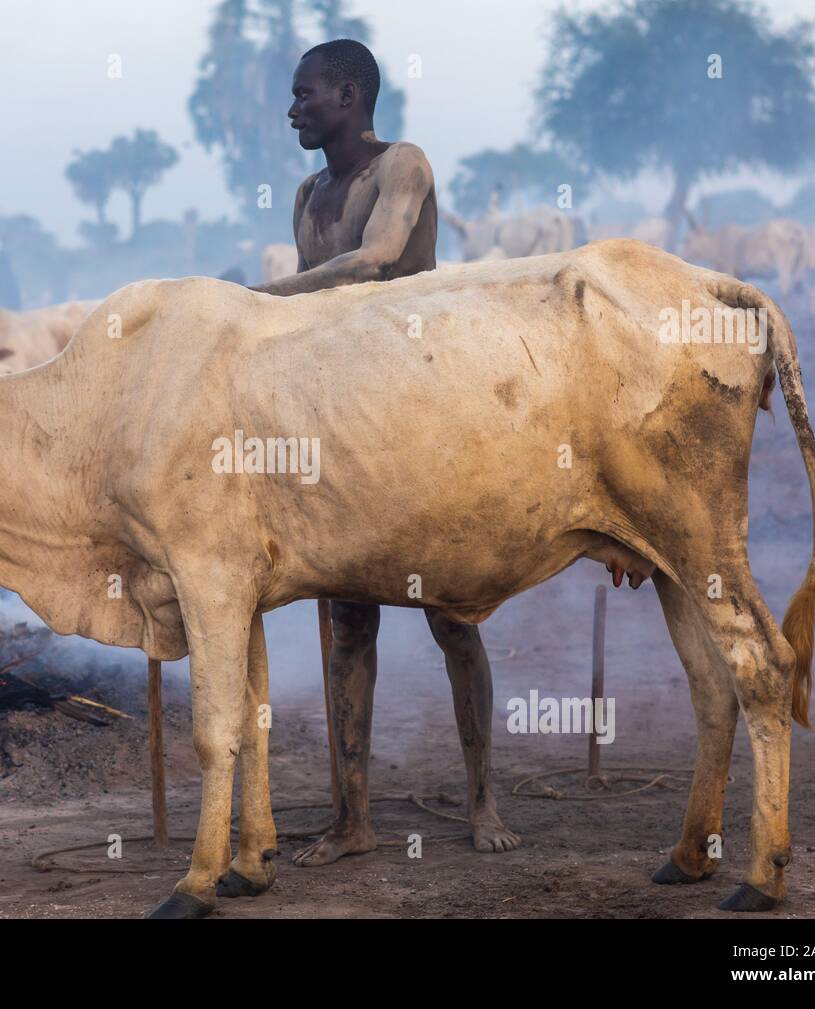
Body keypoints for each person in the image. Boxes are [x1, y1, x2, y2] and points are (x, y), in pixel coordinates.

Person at [253, 39, 519, 865]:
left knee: (453, 617)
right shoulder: (306, 192)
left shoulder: (402, 165)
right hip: (345, 417)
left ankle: (484, 802)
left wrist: (248, 302)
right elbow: (311, 319)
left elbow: (372, 264)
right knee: (348, 627)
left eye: (305, 94)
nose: (293, 109)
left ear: (350, 93)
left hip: (424, 407)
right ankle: (352, 820)